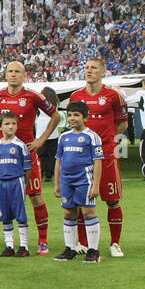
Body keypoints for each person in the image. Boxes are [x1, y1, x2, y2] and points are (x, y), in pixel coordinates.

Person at [0, 62, 59, 255]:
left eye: (17, 72)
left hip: (27, 154)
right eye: (10, 71)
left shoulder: (32, 96)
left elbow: (55, 116)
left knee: (36, 197)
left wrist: (41, 139)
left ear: (24, 76)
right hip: (4, 155)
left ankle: (43, 241)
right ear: (5, 75)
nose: (13, 75)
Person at [70, 58, 129, 256]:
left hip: (106, 156)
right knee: (80, 201)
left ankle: (115, 243)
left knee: (112, 200)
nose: (89, 71)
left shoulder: (114, 95)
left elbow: (123, 124)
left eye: (93, 68)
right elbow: (73, 124)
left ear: (103, 72)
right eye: (86, 67)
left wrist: (107, 142)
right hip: (82, 157)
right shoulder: (76, 96)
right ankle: (83, 242)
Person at [53, 100, 104, 263]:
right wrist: (57, 184)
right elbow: (58, 161)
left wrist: (96, 185)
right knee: (69, 212)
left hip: (85, 180)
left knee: (88, 212)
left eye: (76, 115)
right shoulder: (64, 137)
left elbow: (98, 161)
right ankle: (70, 249)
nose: (72, 118)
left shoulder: (92, 136)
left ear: (85, 118)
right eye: (69, 115)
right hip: (66, 181)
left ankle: (93, 251)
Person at [0, 115, 32, 257]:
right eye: (7, 123)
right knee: (4, 215)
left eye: (13, 123)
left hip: (17, 181)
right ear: (0, 127)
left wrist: (24, 184)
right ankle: (9, 246)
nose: (11, 126)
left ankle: (24, 246)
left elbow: (27, 167)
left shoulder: (20, 145)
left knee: (20, 215)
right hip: (2, 183)